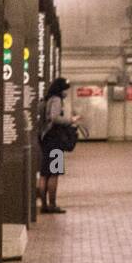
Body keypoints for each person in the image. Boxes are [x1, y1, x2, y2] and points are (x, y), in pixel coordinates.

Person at [38, 77, 77, 214]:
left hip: (45, 138)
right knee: (54, 173)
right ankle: (52, 204)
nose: (65, 92)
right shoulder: (56, 100)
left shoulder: (45, 100)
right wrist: (70, 120)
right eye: (64, 89)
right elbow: (54, 118)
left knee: (44, 173)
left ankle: (43, 204)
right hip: (55, 139)